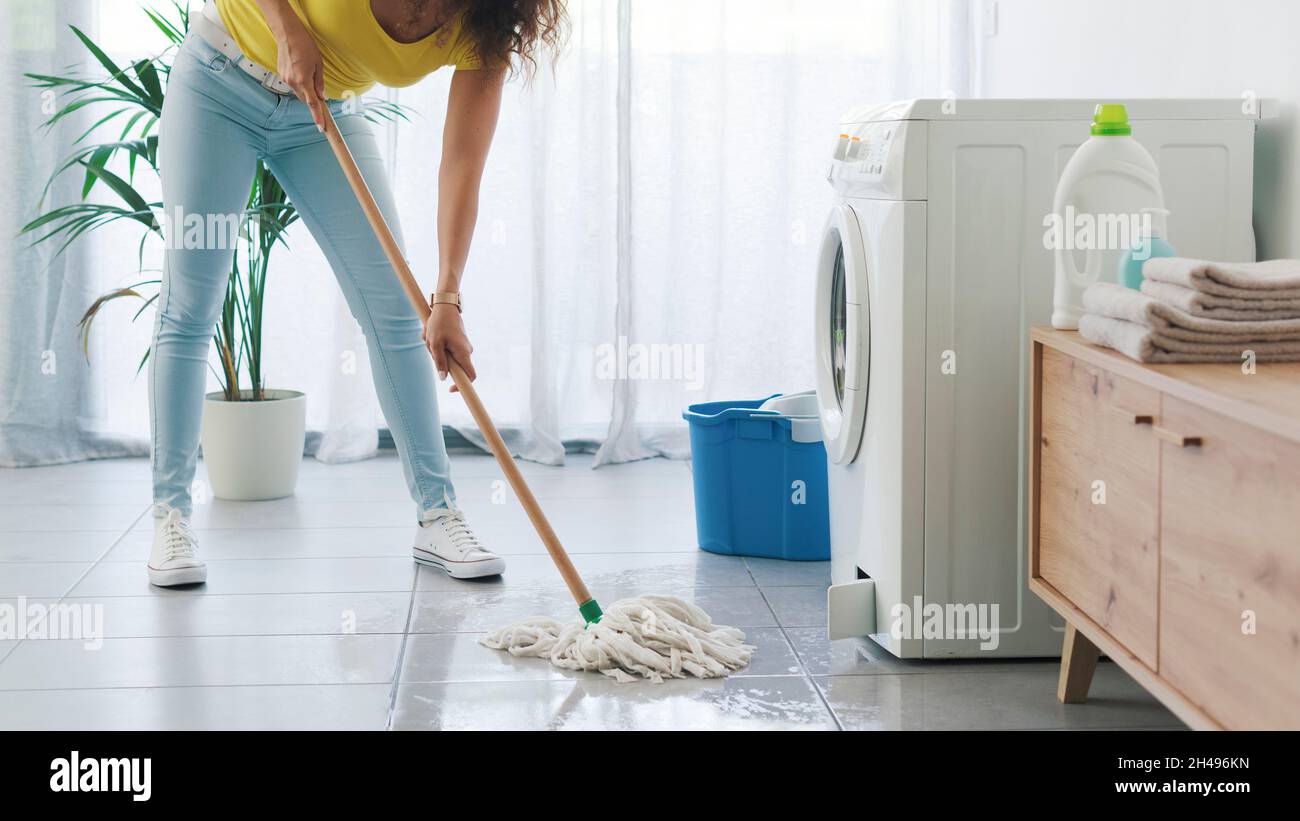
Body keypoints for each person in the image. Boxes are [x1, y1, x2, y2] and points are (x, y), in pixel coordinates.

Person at [147, 0, 566, 586]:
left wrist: (447, 295)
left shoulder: (487, 23)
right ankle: (170, 517)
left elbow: (462, 163)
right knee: (191, 306)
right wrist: (286, 26)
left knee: (398, 310)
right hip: (219, 84)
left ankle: (437, 515)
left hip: (322, 115)